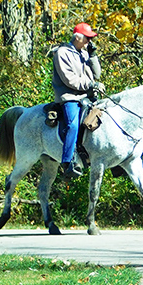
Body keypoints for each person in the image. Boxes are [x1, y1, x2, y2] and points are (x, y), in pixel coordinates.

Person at [52, 22, 105, 176]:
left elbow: (97, 74)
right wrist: (90, 84)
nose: (90, 41)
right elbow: (69, 80)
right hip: (70, 97)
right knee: (73, 126)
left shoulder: (84, 53)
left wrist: (93, 56)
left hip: (88, 97)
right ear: (77, 37)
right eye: (87, 38)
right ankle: (68, 162)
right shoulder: (62, 53)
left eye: (90, 38)